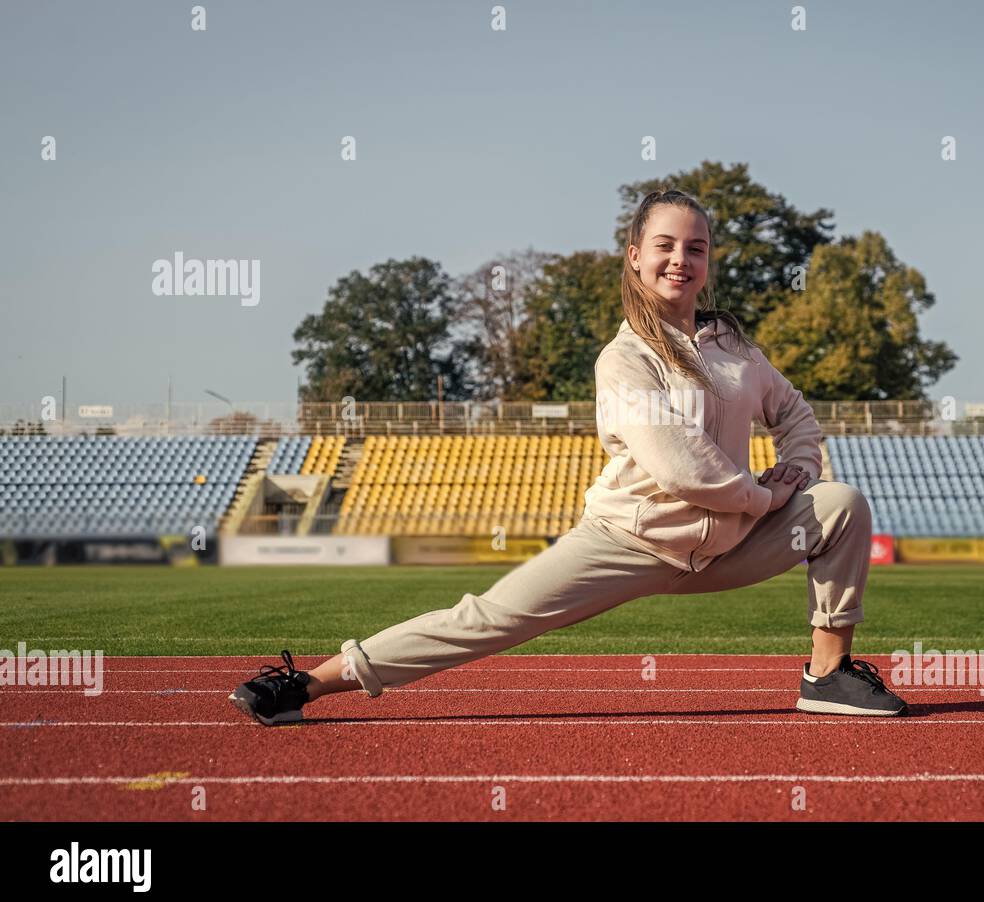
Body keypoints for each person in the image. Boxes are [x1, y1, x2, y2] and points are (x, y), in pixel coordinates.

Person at [228, 188, 907, 725]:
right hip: (629, 542)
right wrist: (764, 497)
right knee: (486, 619)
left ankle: (827, 676)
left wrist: (798, 464)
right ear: (635, 257)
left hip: (731, 544)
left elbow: (795, 414)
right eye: (665, 246)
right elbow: (684, 469)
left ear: (708, 262)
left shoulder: (735, 348)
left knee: (841, 504)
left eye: (695, 248)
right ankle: (307, 685)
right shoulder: (625, 360)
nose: (681, 260)